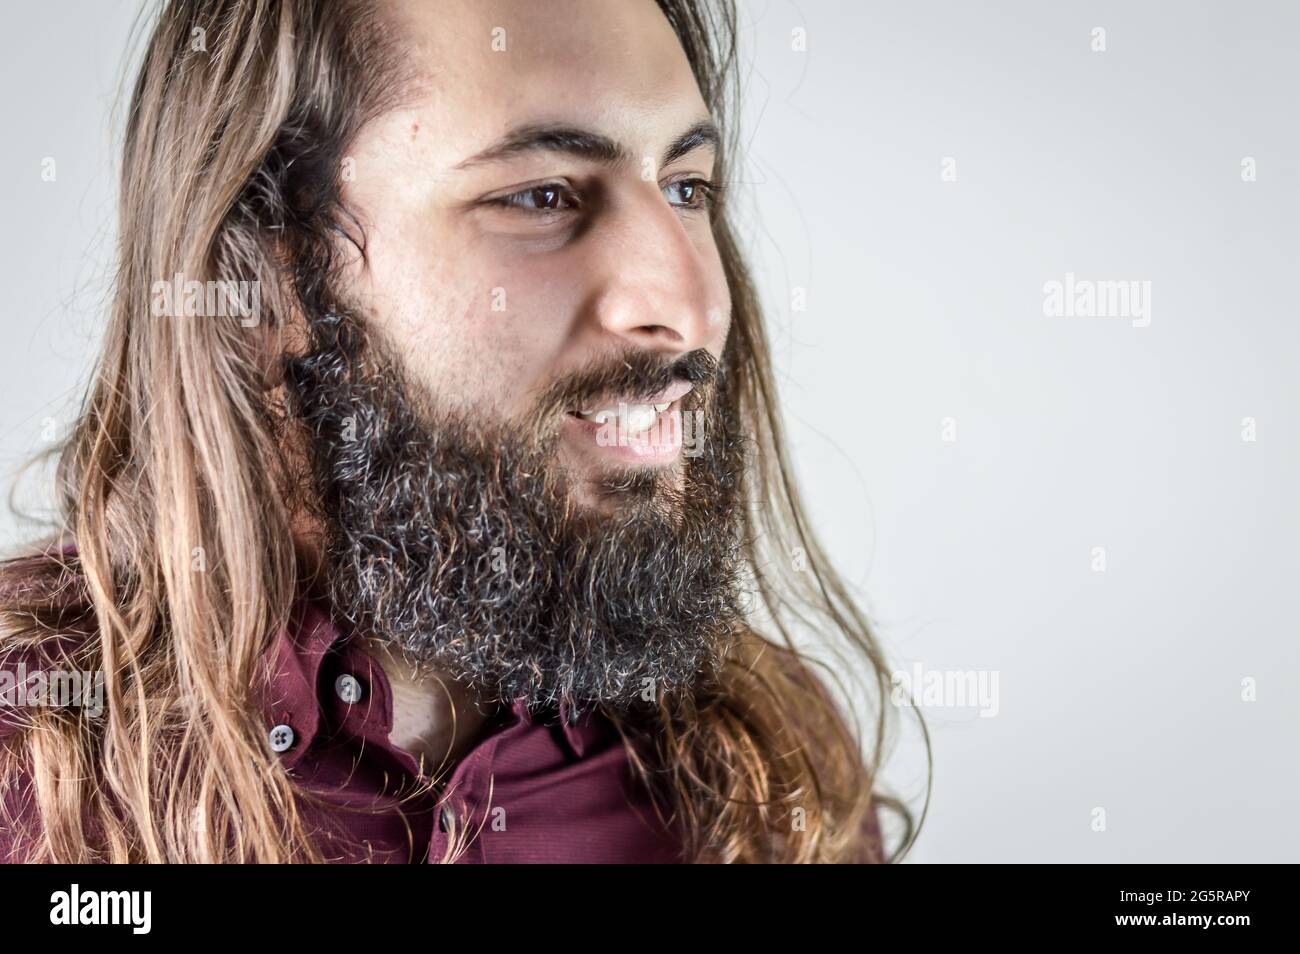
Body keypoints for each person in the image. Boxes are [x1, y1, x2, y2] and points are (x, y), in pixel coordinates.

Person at [0, 0, 912, 863]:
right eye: (542, 196)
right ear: (274, 278)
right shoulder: (24, 763)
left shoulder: (766, 775)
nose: (687, 302)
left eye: (686, 186)